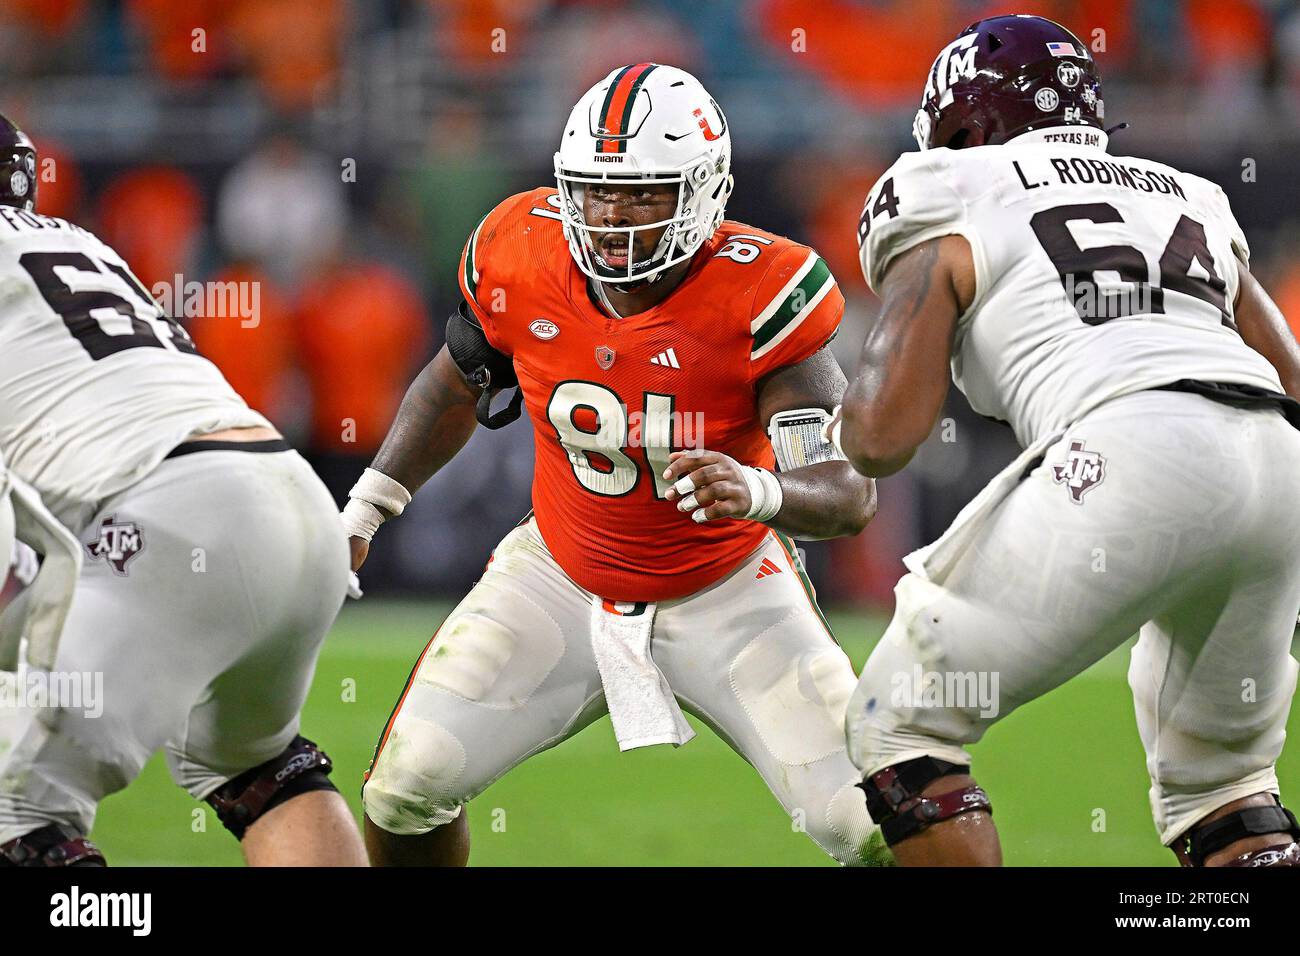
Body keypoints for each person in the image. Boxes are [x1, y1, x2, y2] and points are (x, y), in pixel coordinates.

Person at [349, 63, 889, 866]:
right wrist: (367, 507)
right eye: (596, 190)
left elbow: (848, 494)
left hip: (728, 589)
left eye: (643, 193)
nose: (611, 216)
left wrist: (758, 488)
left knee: (868, 825)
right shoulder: (519, 249)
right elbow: (450, 387)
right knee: (403, 789)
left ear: (704, 191)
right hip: (562, 575)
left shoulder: (763, 291)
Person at [833, 15, 1300, 867]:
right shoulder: (1188, 190)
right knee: (1224, 791)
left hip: (1130, 444)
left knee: (897, 722)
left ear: (963, 127)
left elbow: (882, 438)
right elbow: (1292, 381)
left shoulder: (949, 182)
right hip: (1278, 463)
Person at [0, 114, 365, 867]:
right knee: (260, 771)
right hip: (289, 499)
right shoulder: (83, 245)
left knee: (18, 817)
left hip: (165, 518)